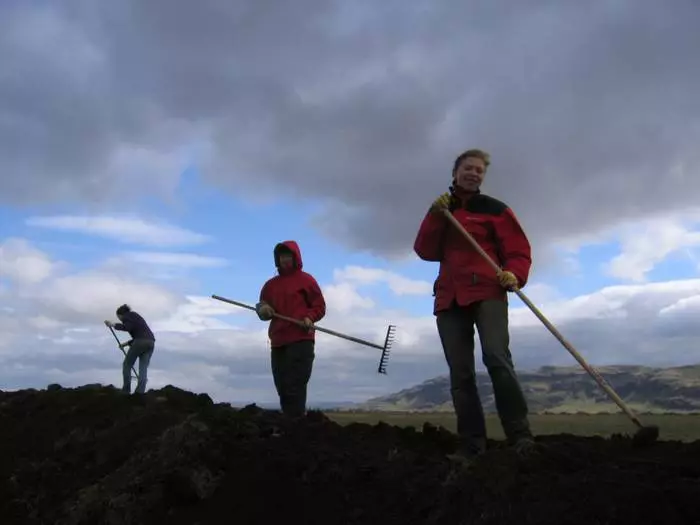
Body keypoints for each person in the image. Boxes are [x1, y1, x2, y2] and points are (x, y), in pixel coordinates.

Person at [413, 148, 536, 459]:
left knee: (497, 358)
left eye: (479, 170)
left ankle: (520, 436)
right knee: (461, 372)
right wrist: (434, 215)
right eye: (468, 168)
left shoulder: (496, 210)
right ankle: (472, 443)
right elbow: (425, 250)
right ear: (455, 172)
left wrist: (514, 273)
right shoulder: (442, 212)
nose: (473, 173)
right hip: (449, 298)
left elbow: (519, 250)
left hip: (487, 291)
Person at [255, 240, 326, 418]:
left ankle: (296, 424)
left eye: (288, 257)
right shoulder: (270, 285)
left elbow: (319, 306)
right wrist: (263, 309)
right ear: (277, 260)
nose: (285, 260)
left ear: (296, 258)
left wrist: (309, 317)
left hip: (301, 339)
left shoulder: (307, 280)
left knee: (295, 384)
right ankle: (290, 426)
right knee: (282, 386)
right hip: (278, 341)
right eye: (281, 257)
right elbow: (263, 307)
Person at [104, 304, 155, 395]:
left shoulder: (127, 317)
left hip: (140, 341)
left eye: (118, 317)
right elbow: (140, 333)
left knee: (127, 364)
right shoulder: (136, 316)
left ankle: (126, 390)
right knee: (143, 368)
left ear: (120, 315)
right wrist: (126, 344)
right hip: (150, 342)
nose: (120, 319)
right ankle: (140, 393)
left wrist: (113, 324)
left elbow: (127, 327)